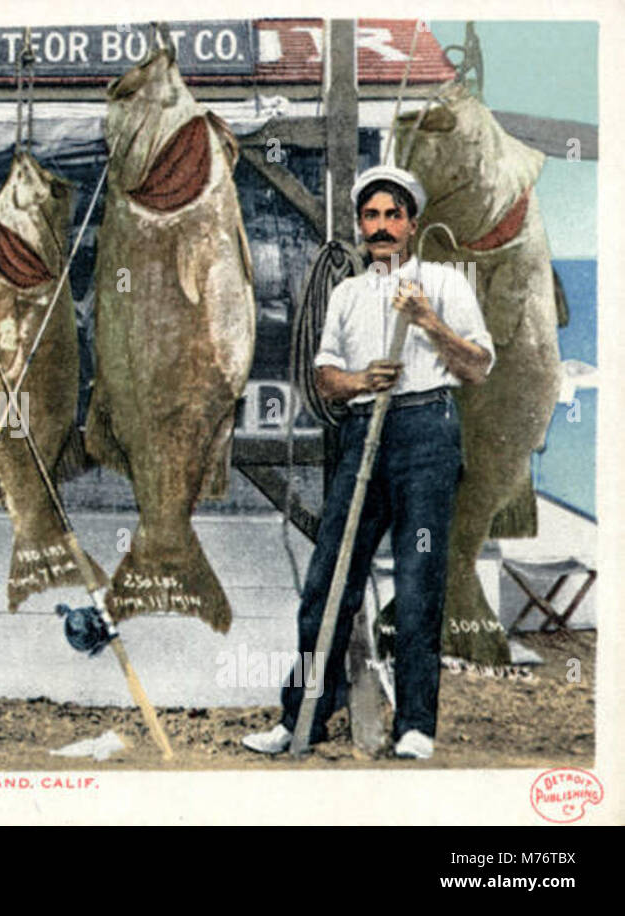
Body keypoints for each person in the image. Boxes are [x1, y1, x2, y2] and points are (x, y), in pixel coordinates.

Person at [242, 165, 495, 760]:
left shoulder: (445, 283)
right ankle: (300, 718)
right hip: (363, 433)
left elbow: (479, 366)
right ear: (361, 223)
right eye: (372, 216)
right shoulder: (347, 292)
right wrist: (362, 379)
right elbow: (325, 377)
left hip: (427, 432)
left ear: (411, 225)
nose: (381, 227)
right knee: (329, 580)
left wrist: (430, 321)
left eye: (393, 216)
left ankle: (414, 726)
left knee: (417, 580)